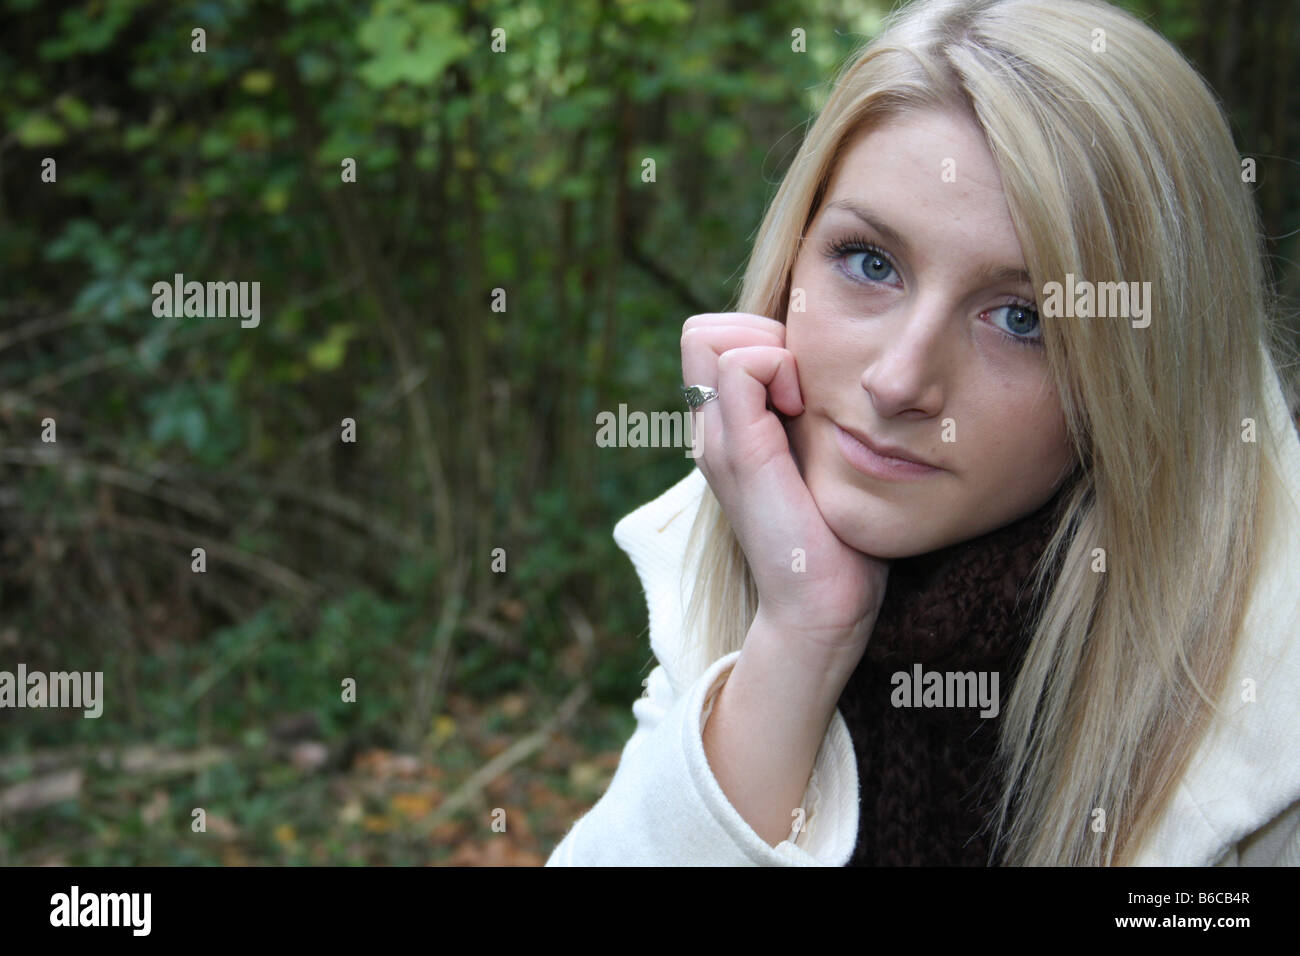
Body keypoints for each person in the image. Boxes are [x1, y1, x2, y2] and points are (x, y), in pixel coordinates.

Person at [546, 0, 1300, 866]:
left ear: (1146, 378)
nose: (900, 380)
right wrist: (802, 636)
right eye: (870, 262)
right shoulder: (727, 555)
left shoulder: (1269, 707)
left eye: (1022, 318)